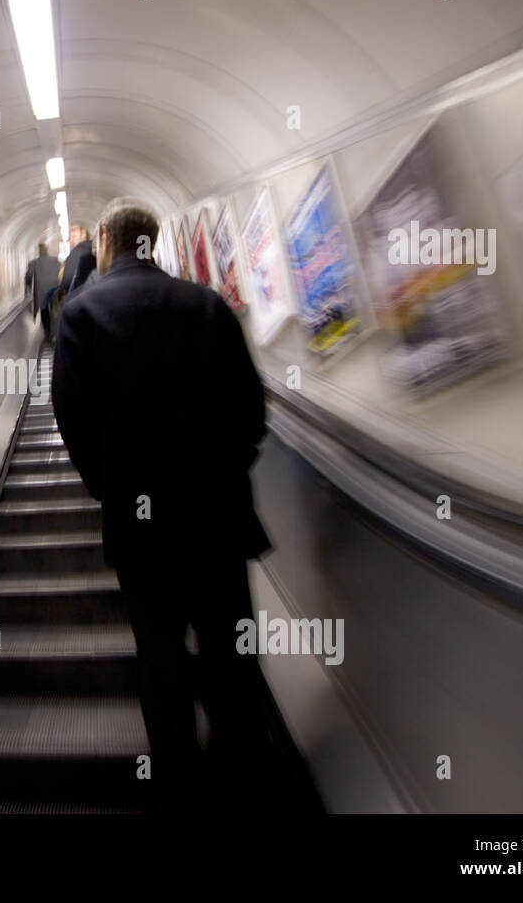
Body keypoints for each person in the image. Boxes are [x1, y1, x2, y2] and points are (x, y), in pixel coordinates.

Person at [51, 197, 316, 812]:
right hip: (217, 518)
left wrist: (111, 486)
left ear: (108, 247)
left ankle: (178, 780)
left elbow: (72, 417)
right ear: (155, 243)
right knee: (230, 651)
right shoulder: (206, 304)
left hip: (140, 529)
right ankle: (244, 771)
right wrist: (222, 473)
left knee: (161, 656)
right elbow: (252, 409)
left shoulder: (82, 311)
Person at [26, 242, 62, 336]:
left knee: (44, 312)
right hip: (55, 291)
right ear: (47, 250)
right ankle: (55, 332)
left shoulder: (34, 263)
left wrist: (28, 287)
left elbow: (28, 276)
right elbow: (62, 274)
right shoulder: (56, 261)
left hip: (42, 293)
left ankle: (47, 333)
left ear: (39, 251)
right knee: (55, 312)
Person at [61, 222, 97, 298]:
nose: (71, 240)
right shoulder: (97, 250)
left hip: (79, 298)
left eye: (73, 236)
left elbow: (67, 280)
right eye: (70, 238)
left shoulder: (76, 253)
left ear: (83, 234)